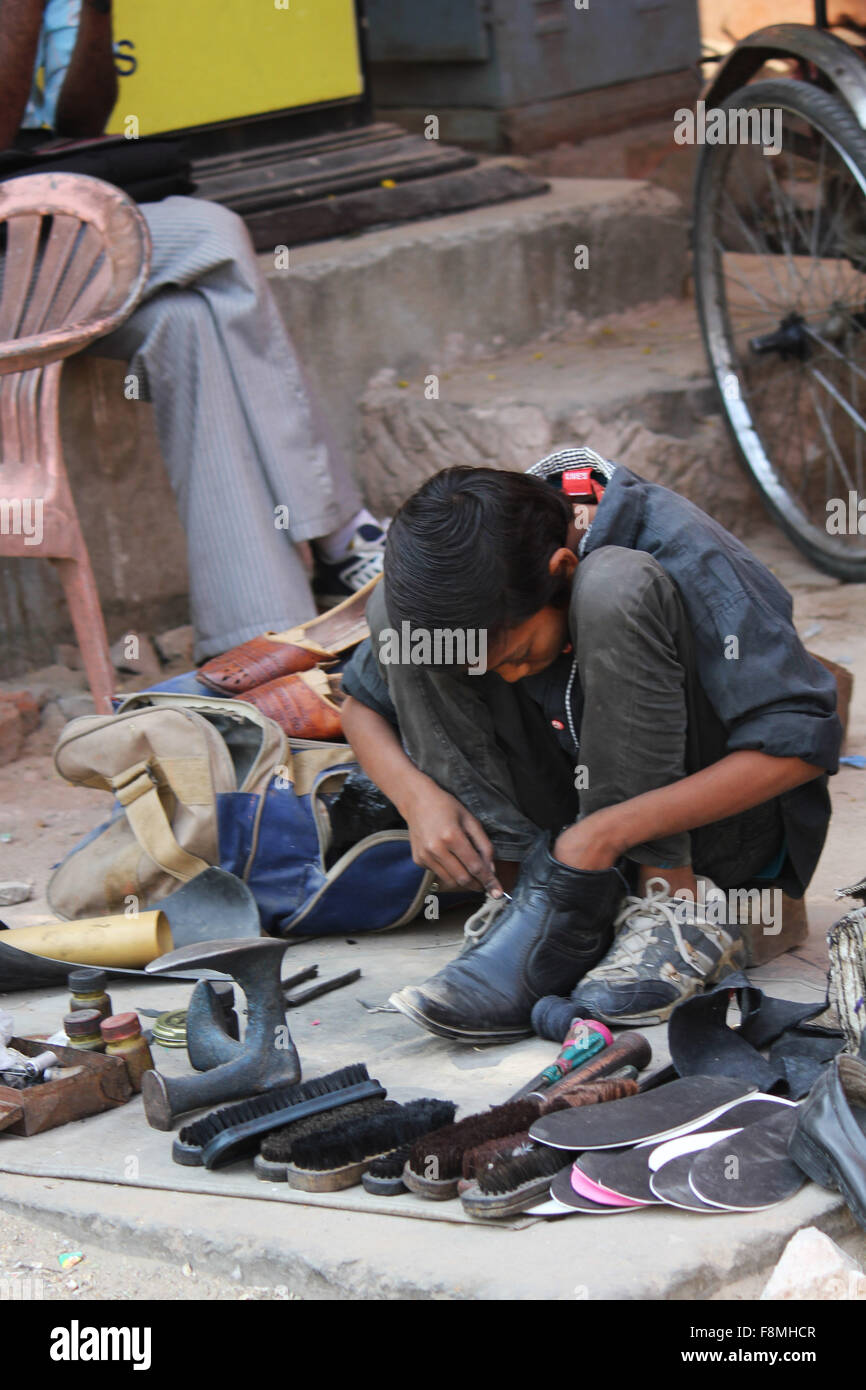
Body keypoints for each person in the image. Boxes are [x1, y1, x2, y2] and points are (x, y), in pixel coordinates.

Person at [339, 448, 842, 1044]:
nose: (509, 678)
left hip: (714, 845)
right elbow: (359, 706)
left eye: (520, 655)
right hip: (566, 843)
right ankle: (529, 905)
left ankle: (668, 915)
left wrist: (605, 832)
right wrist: (417, 795)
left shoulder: (676, 547)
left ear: (562, 569)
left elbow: (801, 741)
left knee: (618, 586)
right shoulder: (481, 569)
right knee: (393, 615)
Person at [0, 0, 386, 662]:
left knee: (187, 324)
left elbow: (79, 121)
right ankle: (339, 530)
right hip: (18, 246)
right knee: (211, 233)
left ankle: (256, 635)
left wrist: (95, 11)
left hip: (44, 241)